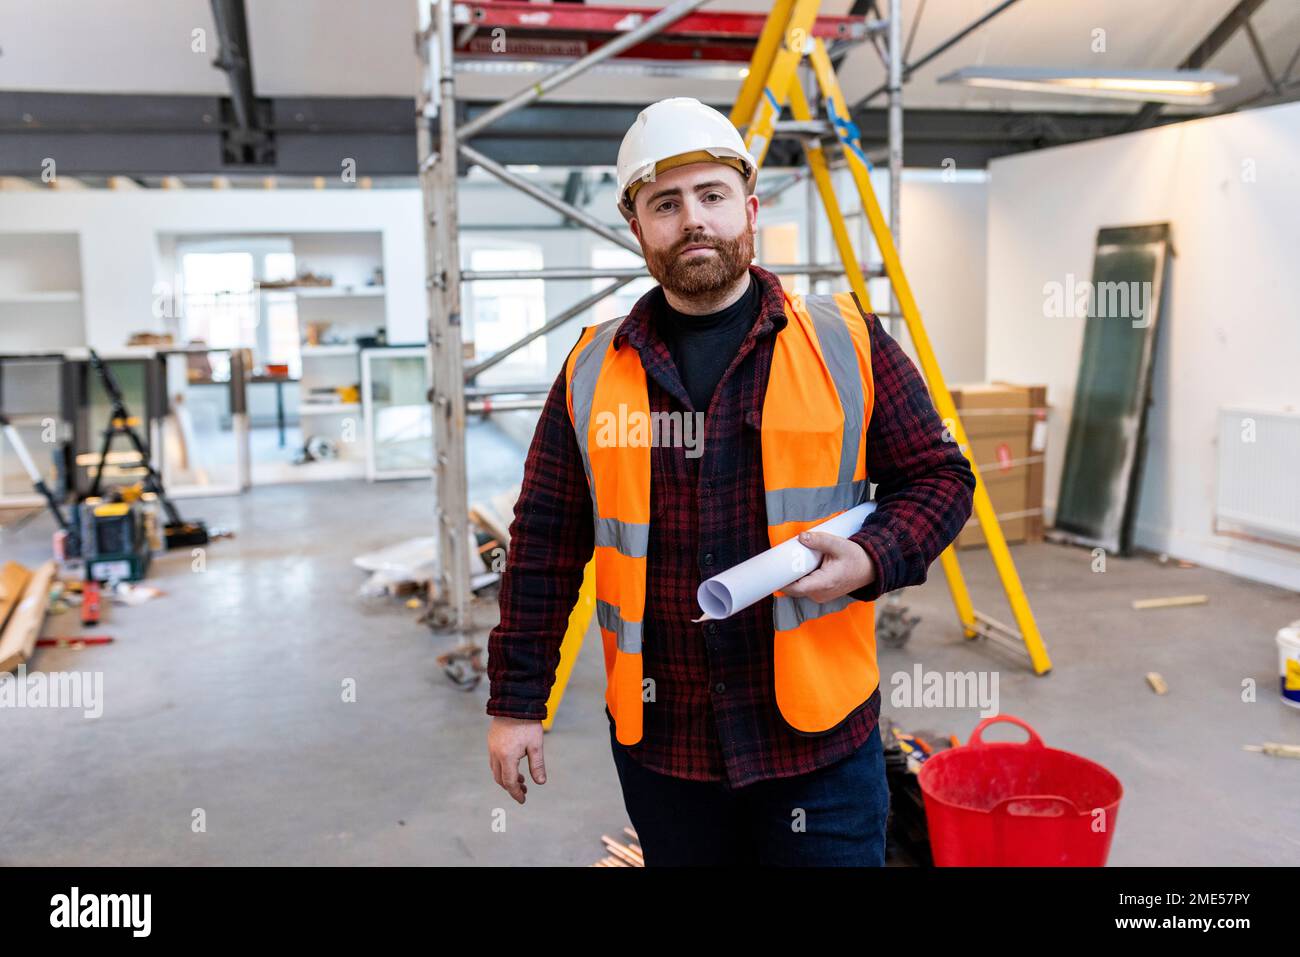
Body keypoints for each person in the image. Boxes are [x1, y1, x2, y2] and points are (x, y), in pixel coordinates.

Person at [486, 97, 975, 866]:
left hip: (820, 747)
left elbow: (941, 478)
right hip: (664, 749)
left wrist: (877, 554)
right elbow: (545, 545)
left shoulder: (846, 342)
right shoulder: (589, 371)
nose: (694, 220)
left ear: (748, 209)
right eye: (666, 204)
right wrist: (517, 702)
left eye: (712, 196)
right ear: (637, 228)